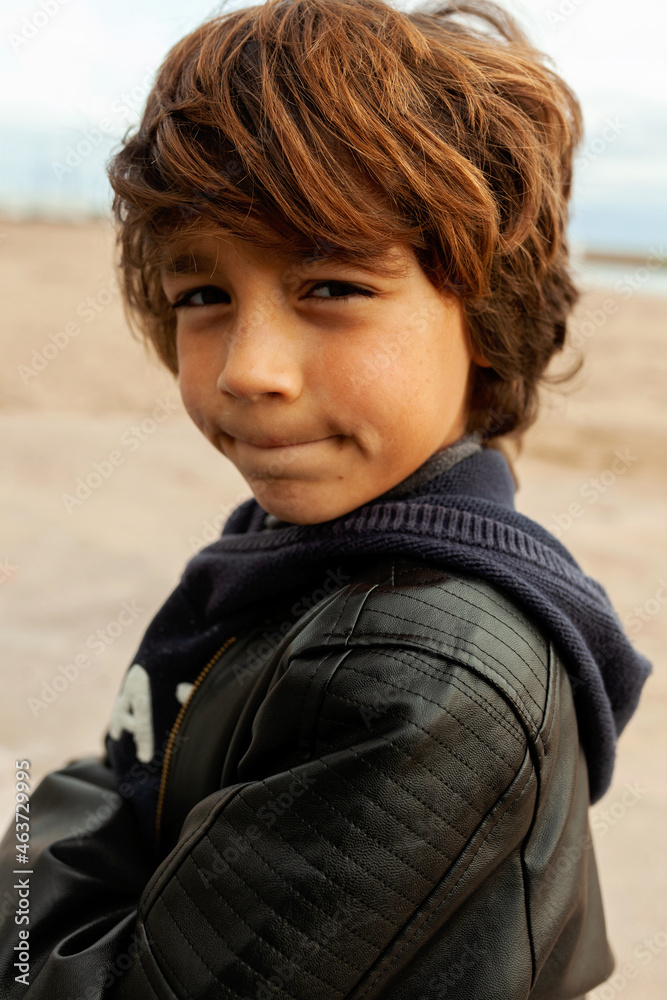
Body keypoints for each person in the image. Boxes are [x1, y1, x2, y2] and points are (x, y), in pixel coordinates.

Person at [0, 0, 652, 996]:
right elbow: (147, 774)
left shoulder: (421, 675)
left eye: (333, 286)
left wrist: (29, 844)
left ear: (484, 313)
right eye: (202, 297)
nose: (247, 371)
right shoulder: (298, 556)